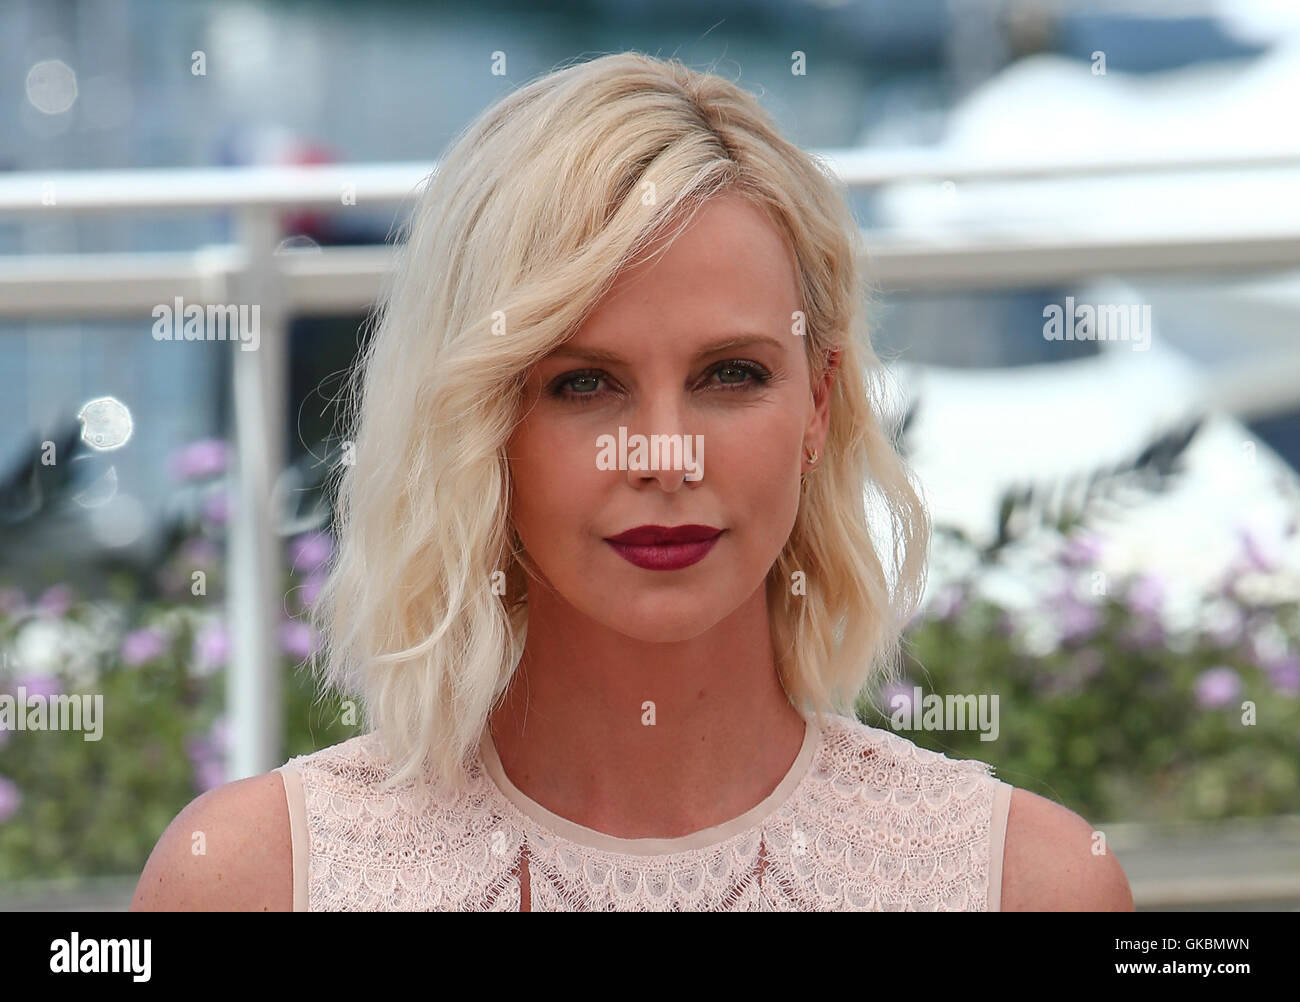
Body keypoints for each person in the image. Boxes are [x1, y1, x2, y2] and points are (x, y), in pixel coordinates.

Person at [132, 51, 1133, 912]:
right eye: (584, 383)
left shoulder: (1025, 884)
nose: (663, 455)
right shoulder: (257, 880)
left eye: (730, 375)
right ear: (481, 417)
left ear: (818, 406)